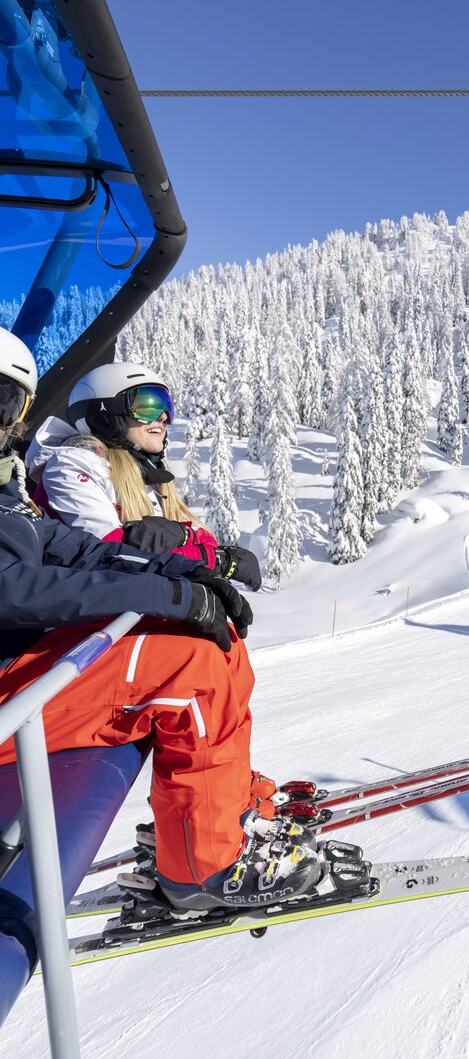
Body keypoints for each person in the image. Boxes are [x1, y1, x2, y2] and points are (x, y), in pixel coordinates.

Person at [0, 330, 352, 913]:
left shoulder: (6, 492)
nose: (160, 421)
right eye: (145, 409)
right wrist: (166, 592)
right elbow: (11, 588)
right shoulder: (58, 475)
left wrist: (185, 581)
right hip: (14, 698)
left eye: (2, 404)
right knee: (188, 669)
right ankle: (201, 870)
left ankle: (215, 812)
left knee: (212, 637)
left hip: (25, 675)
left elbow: (78, 550)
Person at [25, 361, 261, 591]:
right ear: (105, 415)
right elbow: (115, 556)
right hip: (73, 616)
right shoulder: (69, 466)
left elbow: (203, 540)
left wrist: (186, 539)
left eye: (166, 406)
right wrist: (212, 558)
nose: (163, 417)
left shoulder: (145, 476)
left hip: (126, 609)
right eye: (148, 406)